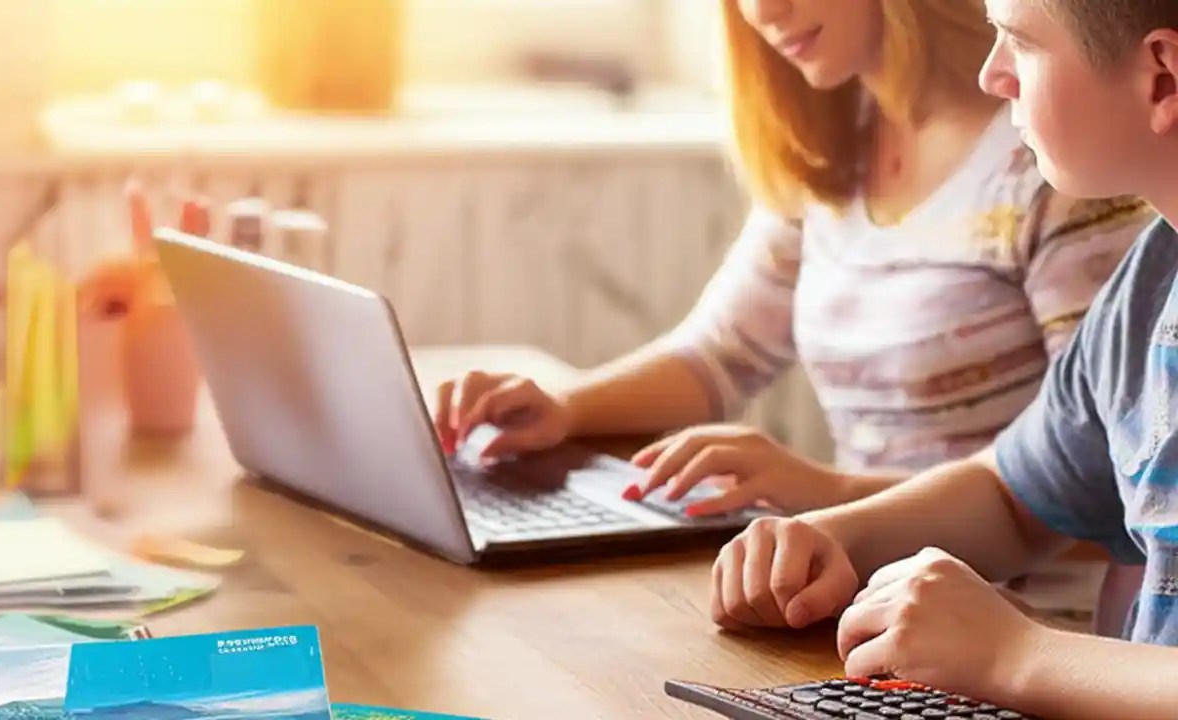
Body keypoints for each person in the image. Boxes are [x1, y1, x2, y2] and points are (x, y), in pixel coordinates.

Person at [434, 0, 1148, 518]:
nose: (764, 12)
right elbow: (722, 353)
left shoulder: (1062, 164)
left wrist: (827, 493)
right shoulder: (835, 143)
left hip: (1017, 613)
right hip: (866, 579)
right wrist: (565, 407)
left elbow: (1099, 489)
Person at [709, 1, 1178, 716]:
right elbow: (1016, 497)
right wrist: (836, 537)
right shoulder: (1153, 278)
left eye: (1020, 43)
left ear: (1162, 80)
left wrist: (1016, 654)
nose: (993, 75)